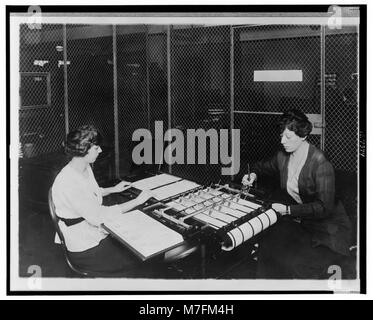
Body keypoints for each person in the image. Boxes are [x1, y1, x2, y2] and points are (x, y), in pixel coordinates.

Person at [242, 109, 352, 279]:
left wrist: (288, 211)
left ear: (303, 136)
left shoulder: (320, 163)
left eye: (288, 137)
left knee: (298, 265)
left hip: (328, 229)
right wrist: (253, 175)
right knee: (268, 246)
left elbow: (324, 207)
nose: (282, 141)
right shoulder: (283, 156)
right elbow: (262, 167)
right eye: (281, 135)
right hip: (304, 221)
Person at [52, 125, 154, 273]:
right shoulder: (68, 181)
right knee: (139, 258)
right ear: (83, 149)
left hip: (92, 232)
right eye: (96, 148)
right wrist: (138, 201)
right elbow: (98, 216)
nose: (100, 150)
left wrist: (113, 189)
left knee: (138, 243)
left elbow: (89, 193)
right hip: (84, 247)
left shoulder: (84, 167)